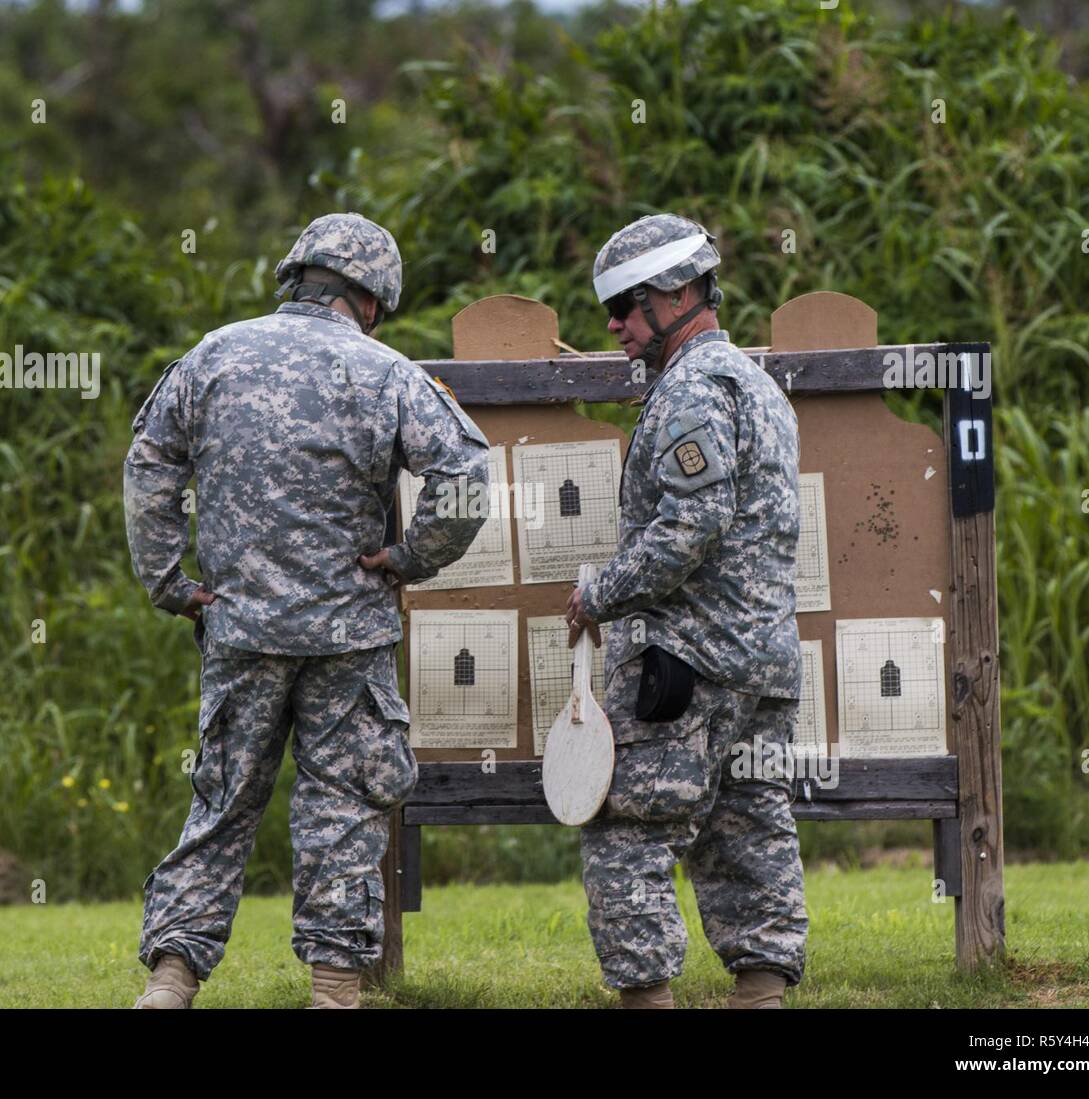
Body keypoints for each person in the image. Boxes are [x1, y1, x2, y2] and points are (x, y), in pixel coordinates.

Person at [124, 212, 489, 1009]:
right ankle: (334, 990)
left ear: (299, 275)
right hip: (348, 636)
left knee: (221, 801)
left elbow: (148, 460)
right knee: (344, 807)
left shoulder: (212, 354)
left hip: (240, 629)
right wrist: (409, 558)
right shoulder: (387, 372)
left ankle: (171, 978)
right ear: (373, 297)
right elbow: (465, 472)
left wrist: (171, 582)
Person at [564, 214, 808, 1009]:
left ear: (677, 293)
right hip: (762, 667)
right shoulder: (758, 386)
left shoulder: (692, 392)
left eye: (627, 306)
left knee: (628, 830)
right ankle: (762, 995)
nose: (614, 325)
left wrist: (598, 593)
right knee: (750, 829)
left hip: (684, 667)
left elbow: (689, 526)